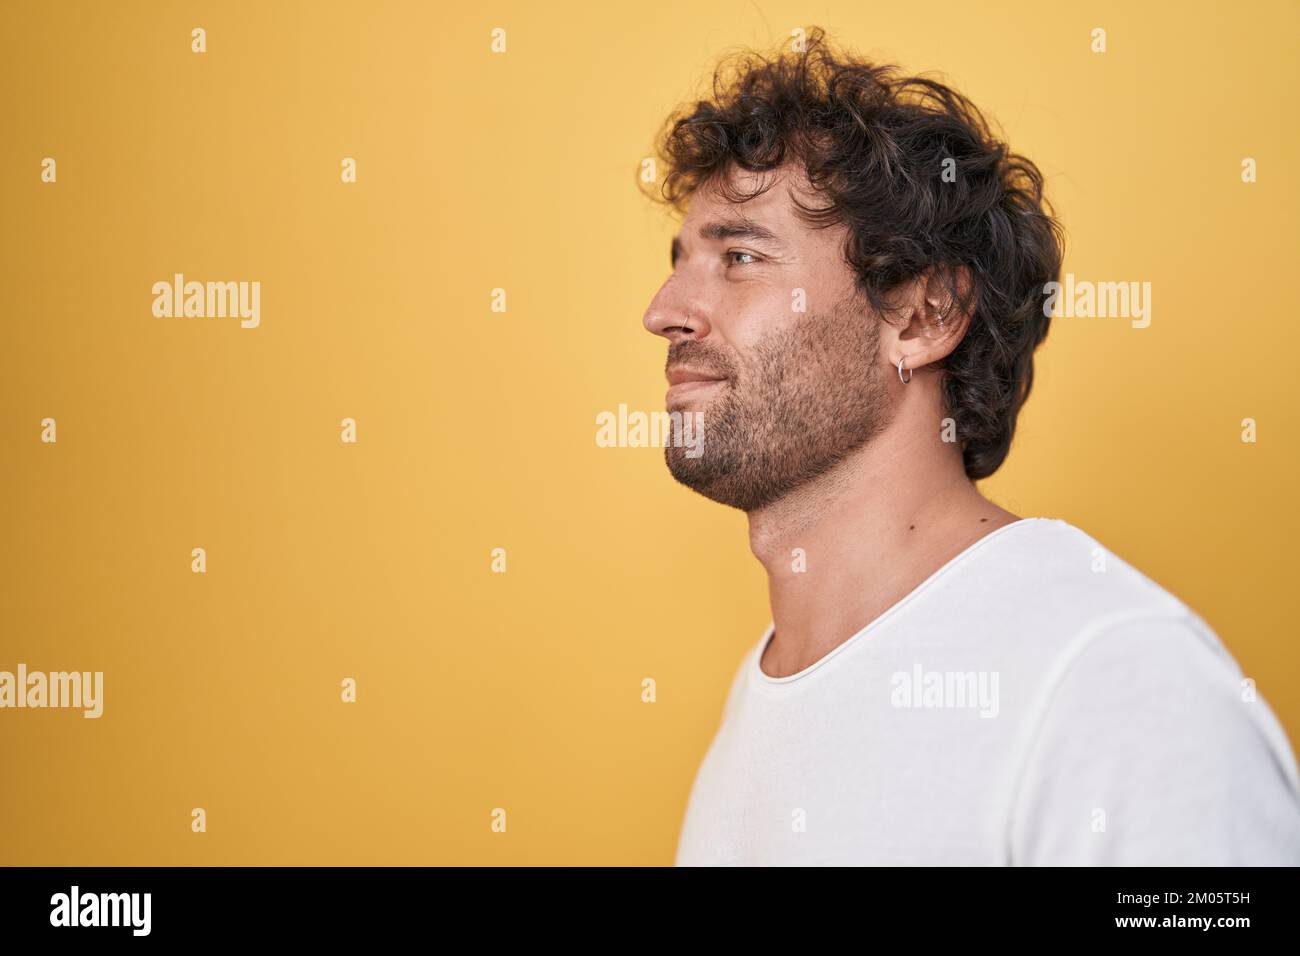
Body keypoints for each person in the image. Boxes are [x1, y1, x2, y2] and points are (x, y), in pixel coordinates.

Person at [640, 28, 1300, 865]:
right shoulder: (759, 699)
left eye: (740, 256)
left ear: (924, 317)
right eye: (680, 261)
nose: (664, 311)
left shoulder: (1112, 681)